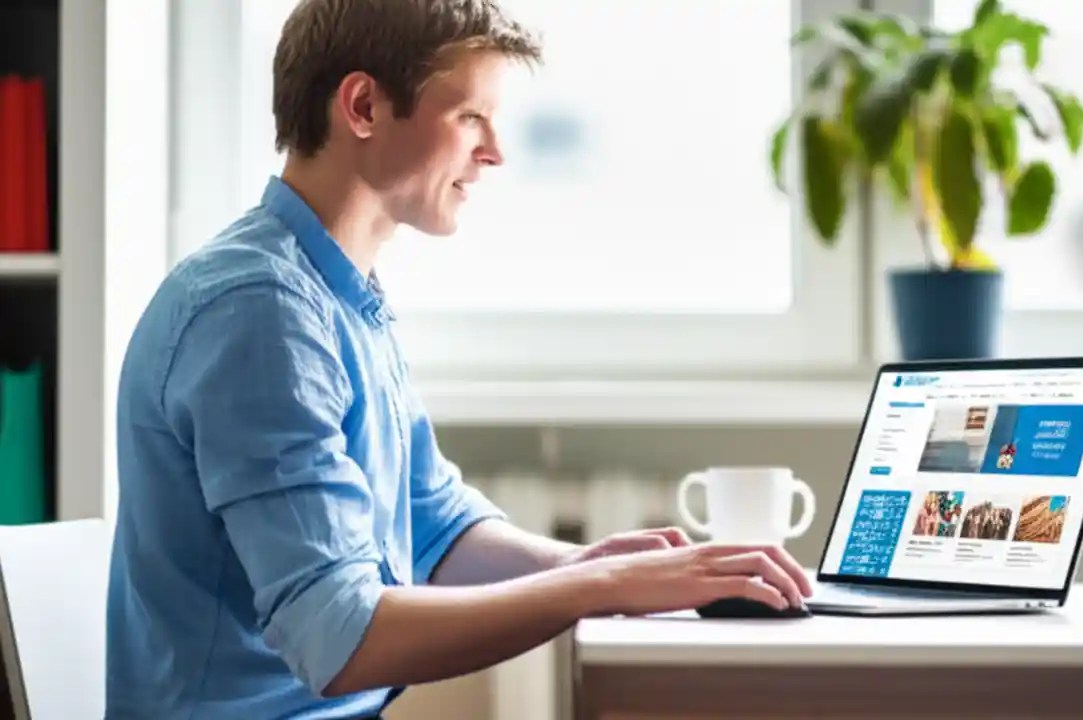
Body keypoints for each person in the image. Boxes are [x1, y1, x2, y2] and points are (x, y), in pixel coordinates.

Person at [104, 1, 812, 718]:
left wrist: (586, 564)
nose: (496, 150)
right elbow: (339, 637)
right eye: (472, 116)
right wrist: (601, 591)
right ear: (364, 106)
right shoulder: (260, 313)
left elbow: (434, 522)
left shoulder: (334, 295)